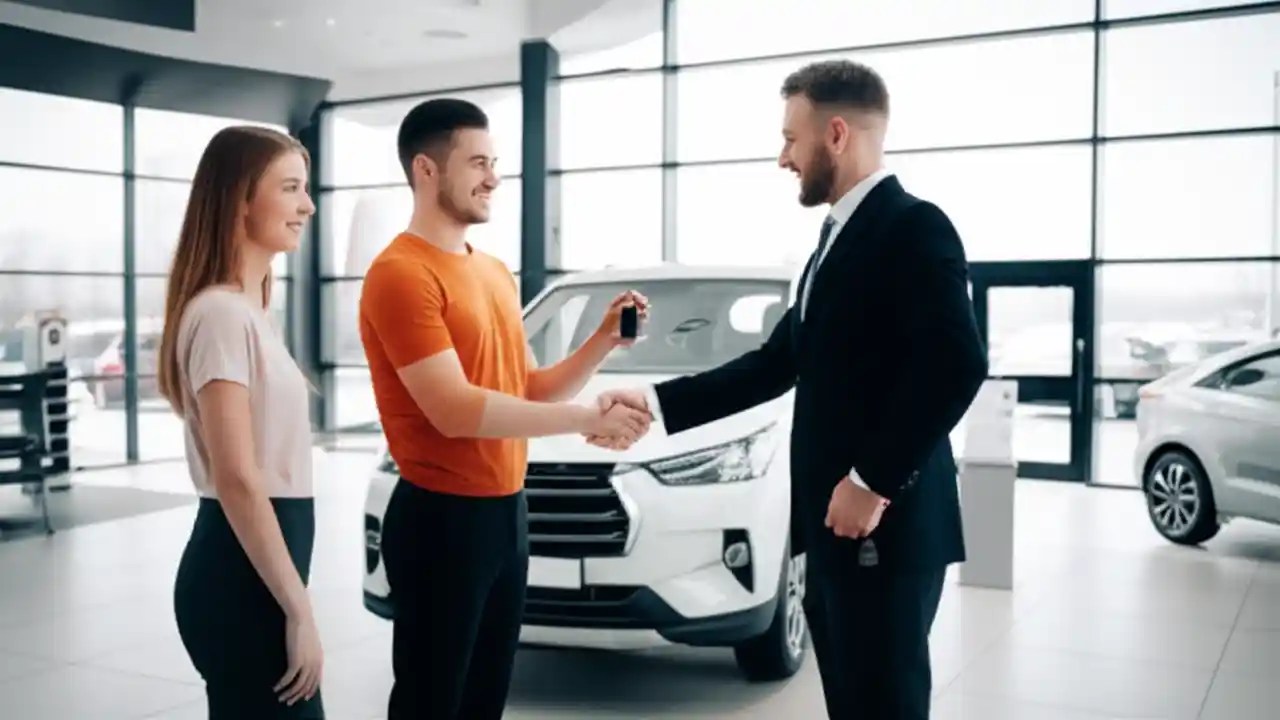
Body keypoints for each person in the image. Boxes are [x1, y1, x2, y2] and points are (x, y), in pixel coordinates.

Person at [594, 60, 988, 719]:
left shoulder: (913, 226)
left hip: (883, 534)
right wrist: (657, 404)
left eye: (789, 138)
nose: (783, 158)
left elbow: (956, 362)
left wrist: (873, 481)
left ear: (835, 134)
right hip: (835, 534)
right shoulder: (833, 242)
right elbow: (776, 362)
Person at [358, 97, 651, 720]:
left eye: (495, 163)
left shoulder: (492, 271)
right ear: (426, 170)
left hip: (505, 516)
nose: (493, 177)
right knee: (430, 701)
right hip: (439, 520)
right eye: (478, 163)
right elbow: (455, 411)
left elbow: (527, 389)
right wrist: (587, 421)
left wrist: (603, 341)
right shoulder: (400, 274)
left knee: (486, 699)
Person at [158, 126, 324, 719]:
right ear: (239, 199)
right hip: (237, 578)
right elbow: (237, 477)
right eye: (290, 188)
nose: (307, 204)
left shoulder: (248, 312)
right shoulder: (223, 315)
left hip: (254, 572)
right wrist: (299, 609)